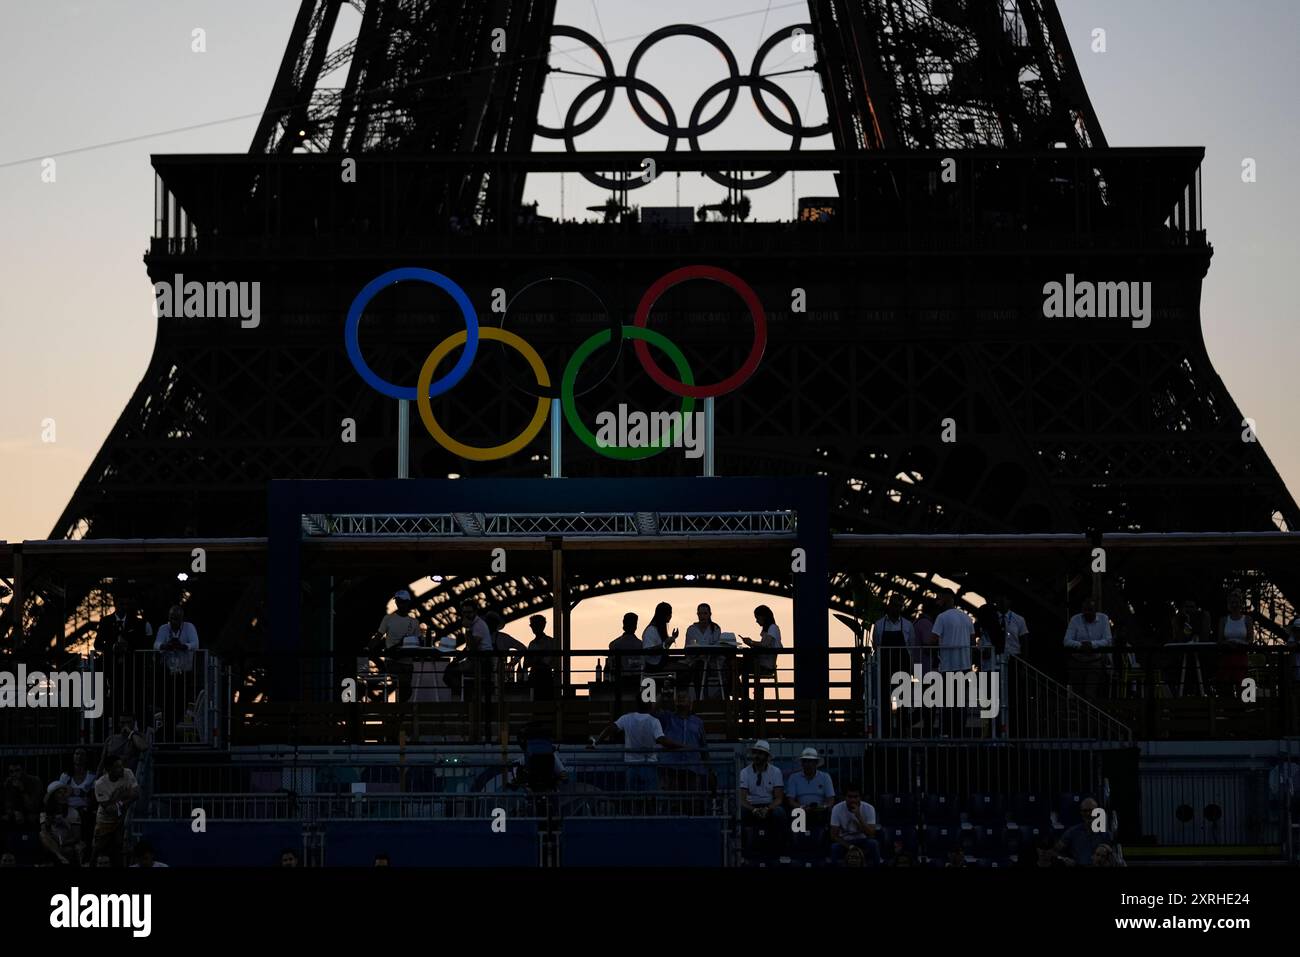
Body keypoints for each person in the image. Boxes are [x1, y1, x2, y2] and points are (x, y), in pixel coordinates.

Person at [589, 698, 683, 792]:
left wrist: (596, 743)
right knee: (650, 797)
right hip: (649, 765)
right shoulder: (653, 721)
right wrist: (681, 746)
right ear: (650, 705)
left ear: (637, 705)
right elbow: (662, 740)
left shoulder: (627, 718)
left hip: (631, 765)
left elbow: (609, 729)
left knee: (632, 797)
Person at [657, 689, 709, 794]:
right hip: (671, 768)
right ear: (675, 702)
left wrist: (709, 769)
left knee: (692, 801)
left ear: (690, 702)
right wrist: (662, 694)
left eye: (685, 696)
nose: (681, 697)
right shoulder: (667, 718)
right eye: (679, 697)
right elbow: (653, 711)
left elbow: (703, 746)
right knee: (671, 801)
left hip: (692, 768)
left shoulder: (698, 722)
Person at [739, 740, 786, 856]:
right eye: (755, 753)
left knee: (779, 813)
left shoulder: (776, 771)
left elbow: (779, 798)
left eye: (760, 753)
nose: (756, 756)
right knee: (740, 813)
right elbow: (742, 799)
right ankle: (744, 851)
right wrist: (754, 810)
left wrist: (767, 809)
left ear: (766, 756)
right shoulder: (745, 772)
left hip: (769, 805)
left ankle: (780, 850)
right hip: (751, 806)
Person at [92, 756, 139, 867]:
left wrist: (118, 799)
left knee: (120, 848)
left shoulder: (128, 773)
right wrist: (126, 797)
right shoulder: (100, 784)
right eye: (117, 767)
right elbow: (109, 810)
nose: (122, 768)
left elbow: (137, 794)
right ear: (109, 769)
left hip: (122, 818)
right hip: (105, 821)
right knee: (97, 849)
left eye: (121, 765)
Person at [374, 590, 419, 701]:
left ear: (407, 602)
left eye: (401, 601)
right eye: (398, 601)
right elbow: (416, 642)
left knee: (404, 688)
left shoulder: (412, 622)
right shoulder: (412, 622)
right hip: (395, 662)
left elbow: (378, 636)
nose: (399, 604)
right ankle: (400, 711)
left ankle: (399, 711)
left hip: (400, 661)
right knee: (404, 687)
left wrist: (367, 649)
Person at [1064, 598, 1113, 698]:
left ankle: (1088, 713)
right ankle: (1081, 713)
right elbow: (1066, 641)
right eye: (1085, 610)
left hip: (1094, 661)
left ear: (1095, 610)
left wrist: (1091, 644)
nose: (1087, 612)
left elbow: (1108, 640)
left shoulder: (1104, 619)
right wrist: (1081, 645)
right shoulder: (1075, 619)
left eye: (1090, 610)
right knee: (1077, 694)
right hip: (1077, 661)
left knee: (1090, 693)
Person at [1053, 796, 1114, 867]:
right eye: (1085, 811)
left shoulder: (1106, 835)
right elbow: (1056, 851)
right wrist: (1064, 859)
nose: (1088, 813)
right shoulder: (1072, 832)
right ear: (1081, 813)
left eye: (1091, 810)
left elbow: (1111, 858)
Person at [56, 748, 95, 856]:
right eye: (77, 753)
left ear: (86, 758)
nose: (79, 756)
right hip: (68, 810)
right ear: (73, 757)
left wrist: (87, 808)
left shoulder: (92, 776)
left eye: (82, 754)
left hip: (85, 811)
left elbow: (92, 798)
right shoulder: (65, 776)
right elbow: (60, 795)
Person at [829, 785, 881, 865]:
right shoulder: (837, 809)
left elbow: (871, 833)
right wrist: (851, 847)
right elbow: (834, 836)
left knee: (874, 844)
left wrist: (859, 817)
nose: (852, 800)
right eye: (849, 797)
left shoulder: (869, 808)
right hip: (845, 841)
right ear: (845, 797)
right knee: (834, 847)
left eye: (856, 797)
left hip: (863, 840)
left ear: (860, 797)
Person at [1215, 590, 1253, 693]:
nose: (1235, 605)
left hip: (1241, 655)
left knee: (1242, 685)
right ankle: (1228, 707)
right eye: (1232, 603)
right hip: (1227, 655)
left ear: (1241, 604)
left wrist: (1242, 644)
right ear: (1229, 605)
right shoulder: (1223, 620)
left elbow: (1250, 639)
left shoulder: (1247, 619)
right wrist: (1227, 644)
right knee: (1226, 685)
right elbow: (1219, 639)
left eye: (1236, 602)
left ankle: (1243, 707)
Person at [684, 603, 725, 699]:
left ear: (710, 614)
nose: (702, 616)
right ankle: (700, 698)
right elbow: (687, 648)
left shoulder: (715, 629)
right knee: (699, 666)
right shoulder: (691, 630)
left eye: (705, 613)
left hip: (713, 662)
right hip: (695, 662)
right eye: (700, 613)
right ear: (697, 614)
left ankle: (725, 697)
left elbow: (718, 646)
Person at [739, 605, 782, 689]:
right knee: (737, 664)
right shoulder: (769, 629)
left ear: (764, 617)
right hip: (761, 664)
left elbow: (765, 644)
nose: (756, 621)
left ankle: (740, 691)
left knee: (737, 665)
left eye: (757, 618)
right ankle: (740, 691)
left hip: (765, 666)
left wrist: (751, 642)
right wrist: (751, 644)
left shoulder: (773, 628)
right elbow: (764, 646)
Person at [39, 781, 82, 866]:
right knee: (42, 834)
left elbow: (77, 836)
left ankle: (59, 856)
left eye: (64, 792)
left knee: (69, 850)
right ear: (53, 796)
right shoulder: (45, 813)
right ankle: (59, 856)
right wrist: (48, 824)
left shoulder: (73, 812)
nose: (63, 795)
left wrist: (63, 843)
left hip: (67, 842)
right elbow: (45, 833)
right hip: (51, 843)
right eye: (59, 792)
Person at [931, 590, 974, 673]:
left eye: (939, 599)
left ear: (947, 599)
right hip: (965, 665)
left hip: (948, 665)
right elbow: (972, 641)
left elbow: (933, 640)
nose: (937, 602)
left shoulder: (941, 617)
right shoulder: (967, 618)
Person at [608, 612, 644, 699]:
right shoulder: (641, 645)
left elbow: (611, 666)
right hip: (637, 681)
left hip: (620, 681)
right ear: (635, 626)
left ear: (623, 624)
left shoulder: (614, 644)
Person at [524, 615, 559, 700]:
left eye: (533, 625)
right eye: (532, 625)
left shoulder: (532, 644)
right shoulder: (550, 642)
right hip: (544, 676)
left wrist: (534, 661)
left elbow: (527, 663)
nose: (533, 627)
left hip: (540, 676)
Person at [642, 602, 678, 672]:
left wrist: (672, 638)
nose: (671, 616)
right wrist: (665, 643)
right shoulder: (651, 630)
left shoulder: (657, 629)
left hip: (660, 664)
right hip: (655, 666)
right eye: (669, 613)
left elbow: (663, 647)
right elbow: (648, 651)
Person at [993, 595, 1030, 659]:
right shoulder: (991, 619)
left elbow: (1024, 641)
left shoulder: (1019, 619)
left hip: (1014, 656)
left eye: (1005, 600)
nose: (1003, 603)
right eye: (1001, 601)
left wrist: (1024, 661)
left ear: (1009, 602)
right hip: (995, 657)